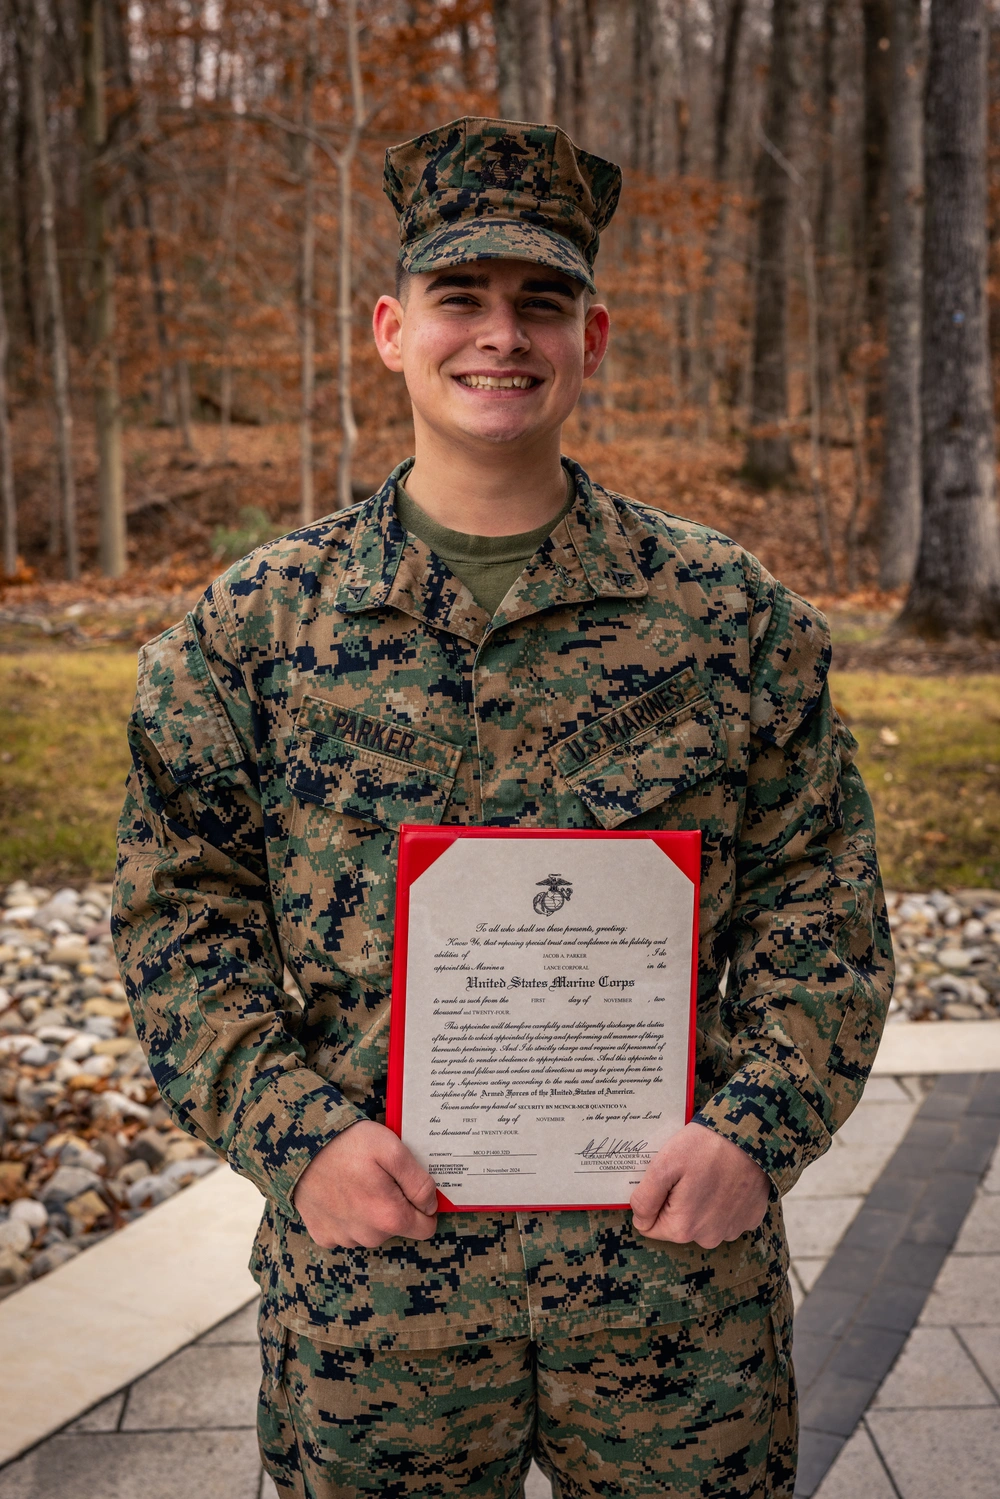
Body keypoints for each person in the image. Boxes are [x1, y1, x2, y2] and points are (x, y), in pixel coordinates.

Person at [113, 116, 894, 1498]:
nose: (501, 336)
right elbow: (182, 921)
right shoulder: (258, 626)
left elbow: (818, 901)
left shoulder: (724, 615)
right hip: (379, 1293)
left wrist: (758, 1131)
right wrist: (296, 1136)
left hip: (670, 1290)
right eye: (461, 298)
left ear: (593, 339)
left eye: (542, 302)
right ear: (391, 329)